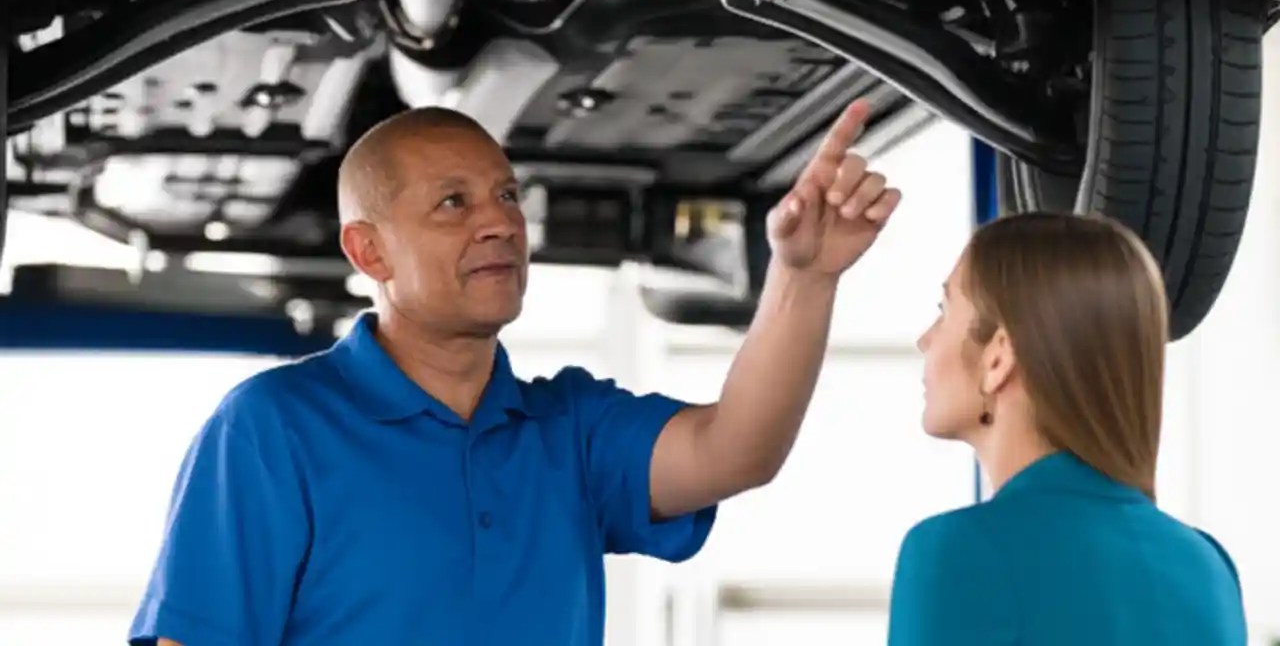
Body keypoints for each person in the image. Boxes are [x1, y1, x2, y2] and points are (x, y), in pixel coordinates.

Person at [127, 99, 902, 646]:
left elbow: (738, 449)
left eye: (505, 195)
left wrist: (804, 276)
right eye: (453, 203)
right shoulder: (275, 426)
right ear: (369, 252)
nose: (498, 221)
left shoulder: (568, 429)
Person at [888, 212, 1247, 645]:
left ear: (999, 357)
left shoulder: (955, 551)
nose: (925, 340)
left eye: (944, 311)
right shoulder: (1208, 566)